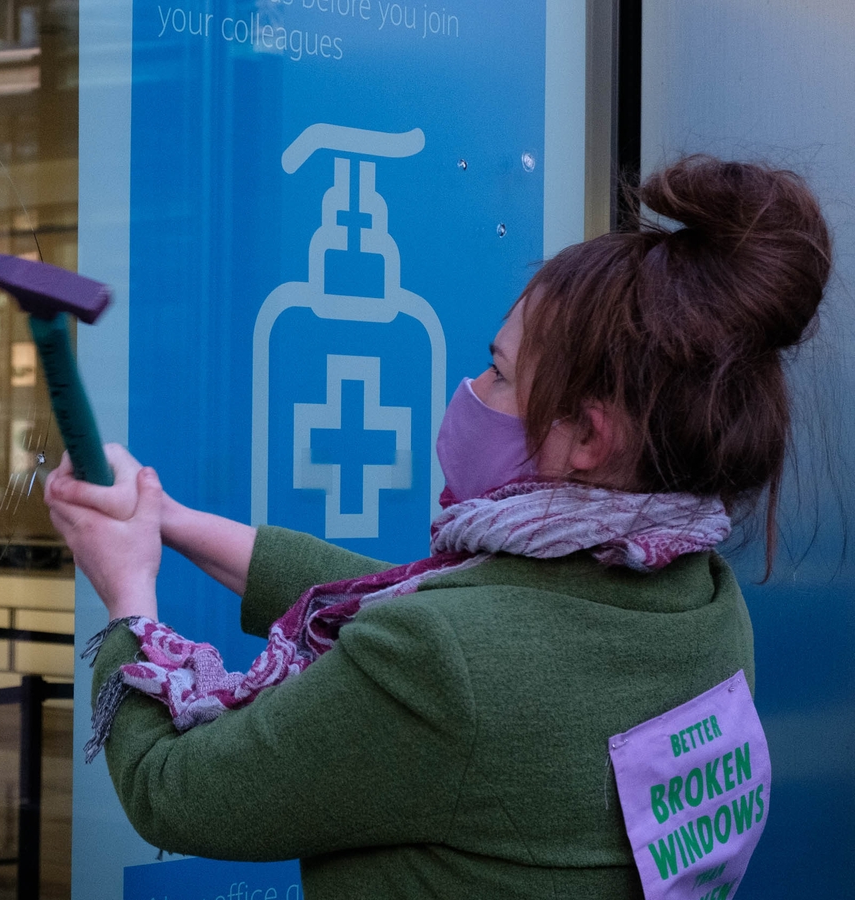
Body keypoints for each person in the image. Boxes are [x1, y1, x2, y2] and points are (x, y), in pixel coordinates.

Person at [44, 156, 832, 898]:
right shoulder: (701, 601)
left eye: (499, 372)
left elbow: (175, 793)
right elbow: (421, 602)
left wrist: (128, 597)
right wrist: (170, 520)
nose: (471, 389)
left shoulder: (444, 668)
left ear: (588, 438)